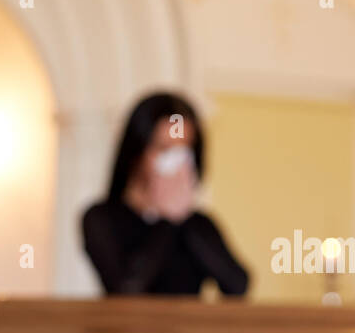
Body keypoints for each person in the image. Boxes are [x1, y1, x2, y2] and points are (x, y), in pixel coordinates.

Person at [82, 92, 249, 296]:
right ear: (137, 152)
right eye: (164, 149)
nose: (176, 162)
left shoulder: (199, 224)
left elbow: (238, 285)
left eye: (184, 151)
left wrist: (182, 217)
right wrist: (168, 220)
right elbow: (126, 289)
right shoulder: (101, 219)